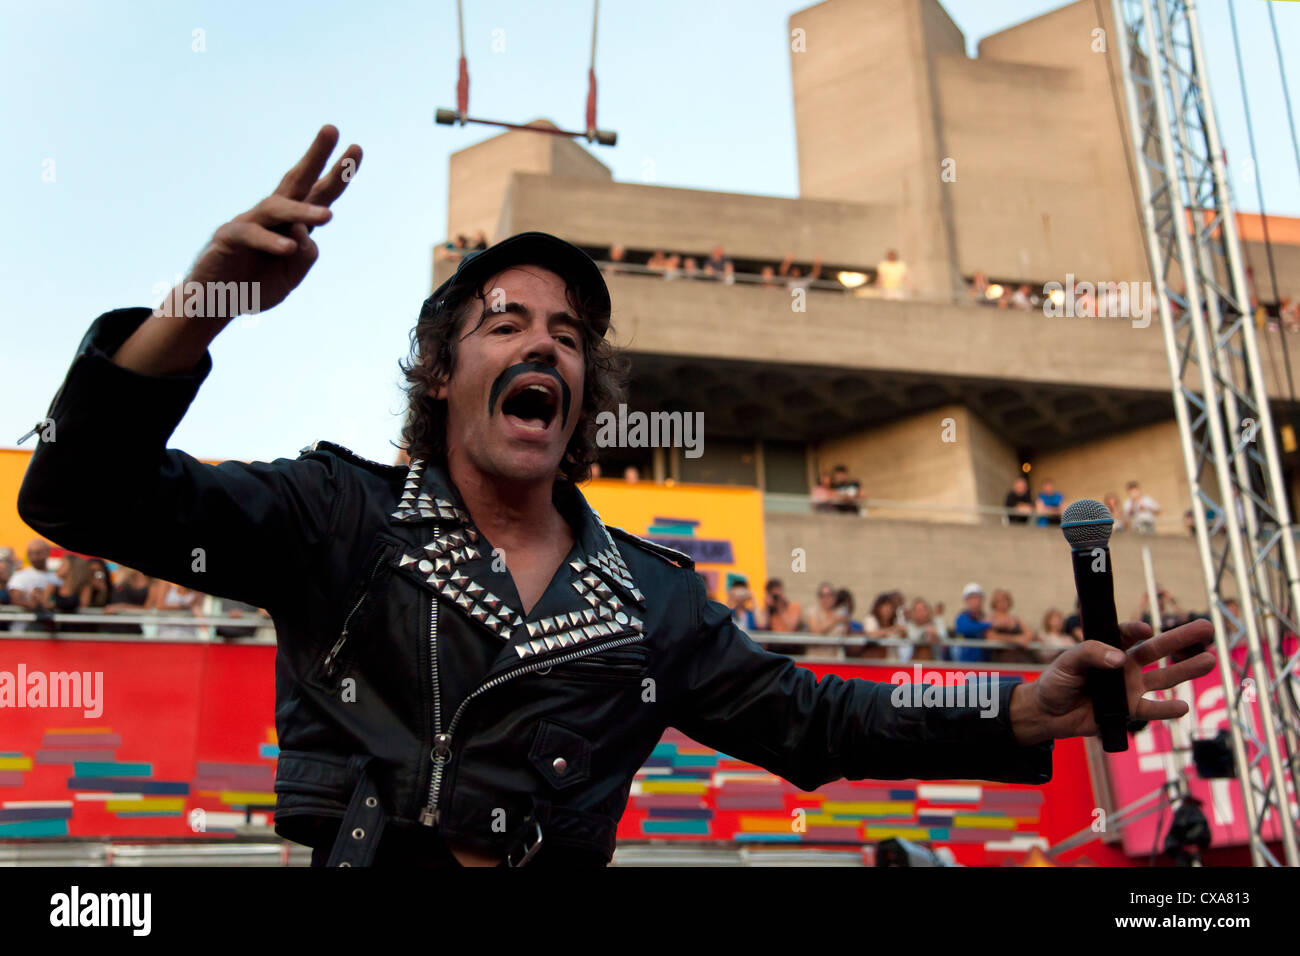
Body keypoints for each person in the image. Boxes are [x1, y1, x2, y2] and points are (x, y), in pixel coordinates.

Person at [17, 126, 1216, 868]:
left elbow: (821, 721)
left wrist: (1015, 711)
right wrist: (207, 296)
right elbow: (80, 492)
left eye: (570, 335)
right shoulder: (337, 517)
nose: (544, 345)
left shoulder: (649, 596)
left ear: (582, 388)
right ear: (445, 375)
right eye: (506, 324)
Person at [6, 539, 62, 633]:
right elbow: (16, 598)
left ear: (47, 552)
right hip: (23, 632)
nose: (34, 557)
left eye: (38, 553)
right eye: (31, 553)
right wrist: (32, 604)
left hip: (47, 632)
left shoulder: (56, 579)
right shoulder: (20, 575)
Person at [987, 588, 1035, 664]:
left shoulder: (1016, 619)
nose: (1002, 603)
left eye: (1005, 600)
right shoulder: (990, 619)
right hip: (1000, 660)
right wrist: (1016, 640)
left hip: (1019, 659)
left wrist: (1024, 639)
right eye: (999, 601)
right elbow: (991, 637)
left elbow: (1029, 633)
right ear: (994, 603)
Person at [951, 582, 993, 664]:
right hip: (966, 665)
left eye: (977, 598)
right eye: (971, 598)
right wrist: (988, 624)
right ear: (966, 601)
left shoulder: (986, 617)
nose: (975, 602)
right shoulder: (962, 617)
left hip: (984, 665)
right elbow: (964, 628)